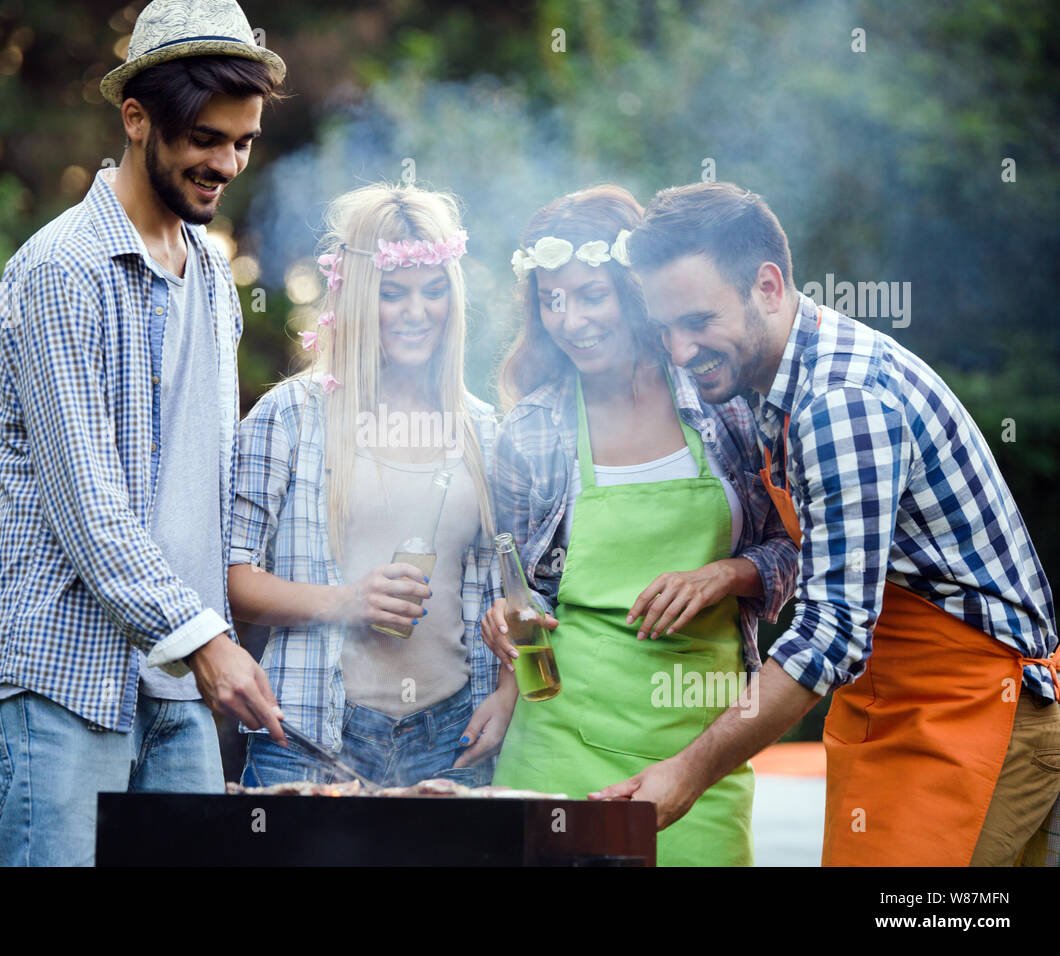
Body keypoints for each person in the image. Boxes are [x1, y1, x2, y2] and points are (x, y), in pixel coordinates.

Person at [610, 180, 1060, 867]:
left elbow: (833, 633)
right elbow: (826, 543)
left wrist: (687, 772)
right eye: (663, 328)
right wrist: (735, 571)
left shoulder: (839, 403)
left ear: (767, 285)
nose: (677, 351)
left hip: (973, 710)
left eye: (698, 320)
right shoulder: (778, 382)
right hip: (894, 707)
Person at [0, 0, 287, 866]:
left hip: (175, 688)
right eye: (204, 138)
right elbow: (91, 508)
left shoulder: (213, 276)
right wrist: (208, 643)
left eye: (242, 141)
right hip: (57, 682)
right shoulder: (60, 270)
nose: (226, 163)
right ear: (136, 120)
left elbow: (204, 480)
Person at [483, 185, 799, 865]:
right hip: (556, 754)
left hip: (703, 755)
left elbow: (796, 552)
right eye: (552, 299)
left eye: (590, 294)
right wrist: (504, 618)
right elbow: (511, 581)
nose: (570, 320)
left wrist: (729, 574)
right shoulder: (530, 431)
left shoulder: (730, 409)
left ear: (636, 292)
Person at [229, 183, 513, 787]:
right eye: (394, 294)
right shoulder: (291, 415)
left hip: (453, 742)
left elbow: (519, 591)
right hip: (308, 738)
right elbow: (229, 578)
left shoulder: (486, 433)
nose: (418, 312)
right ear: (357, 296)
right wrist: (346, 601)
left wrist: (510, 692)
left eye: (435, 291)